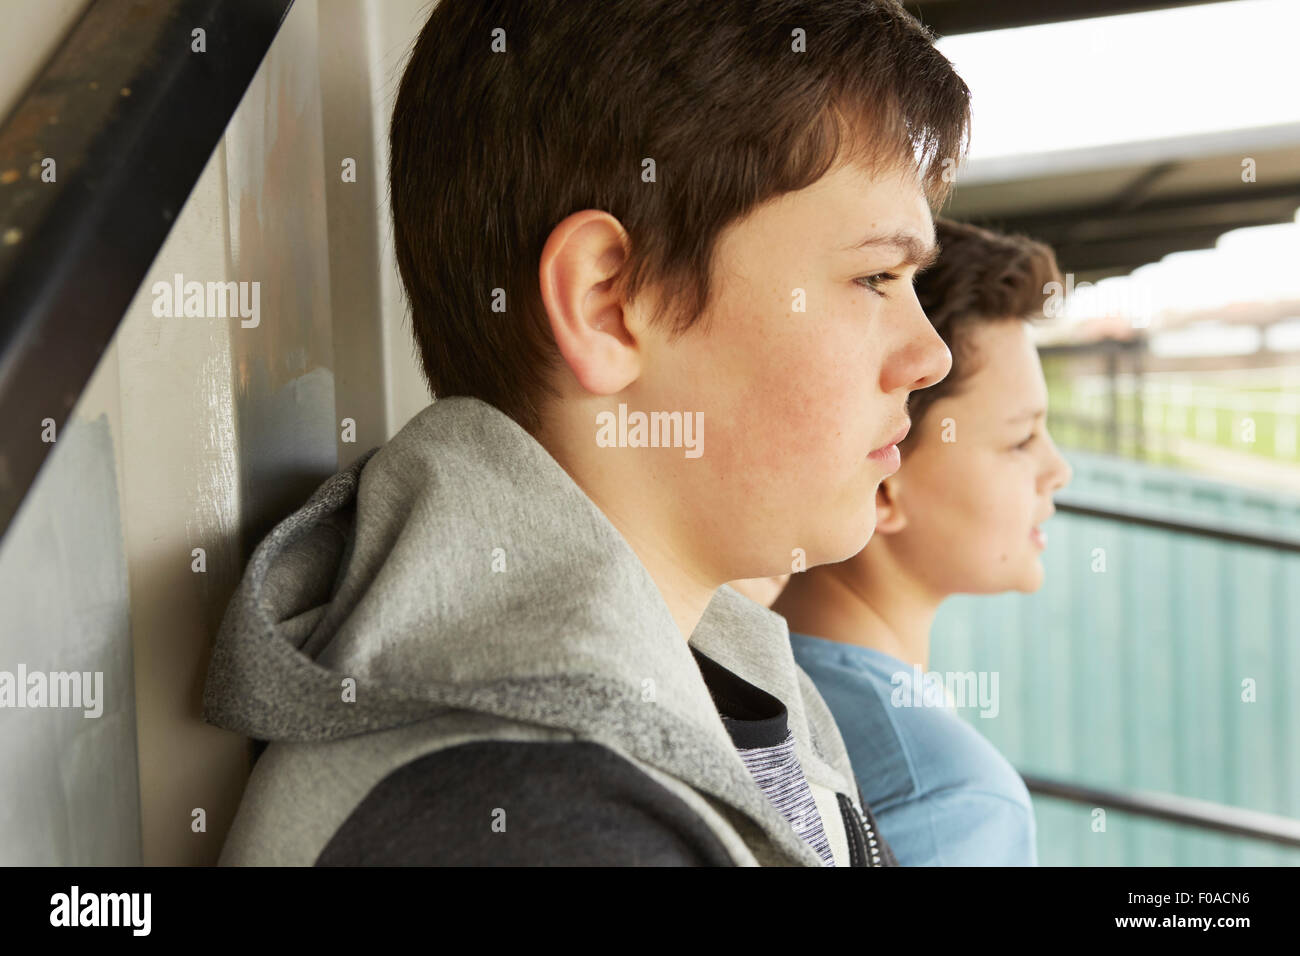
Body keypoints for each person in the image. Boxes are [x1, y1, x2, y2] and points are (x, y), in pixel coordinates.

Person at [201, 0, 969, 866]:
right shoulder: (525, 823)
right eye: (875, 277)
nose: (930, 355)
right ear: (607, 302)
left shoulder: (740, 688)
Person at [776, 219, 1074, 866]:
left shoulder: (733, 671)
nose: (1059, 470)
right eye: (1021, 439)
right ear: (882, 481)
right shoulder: (950, 799)